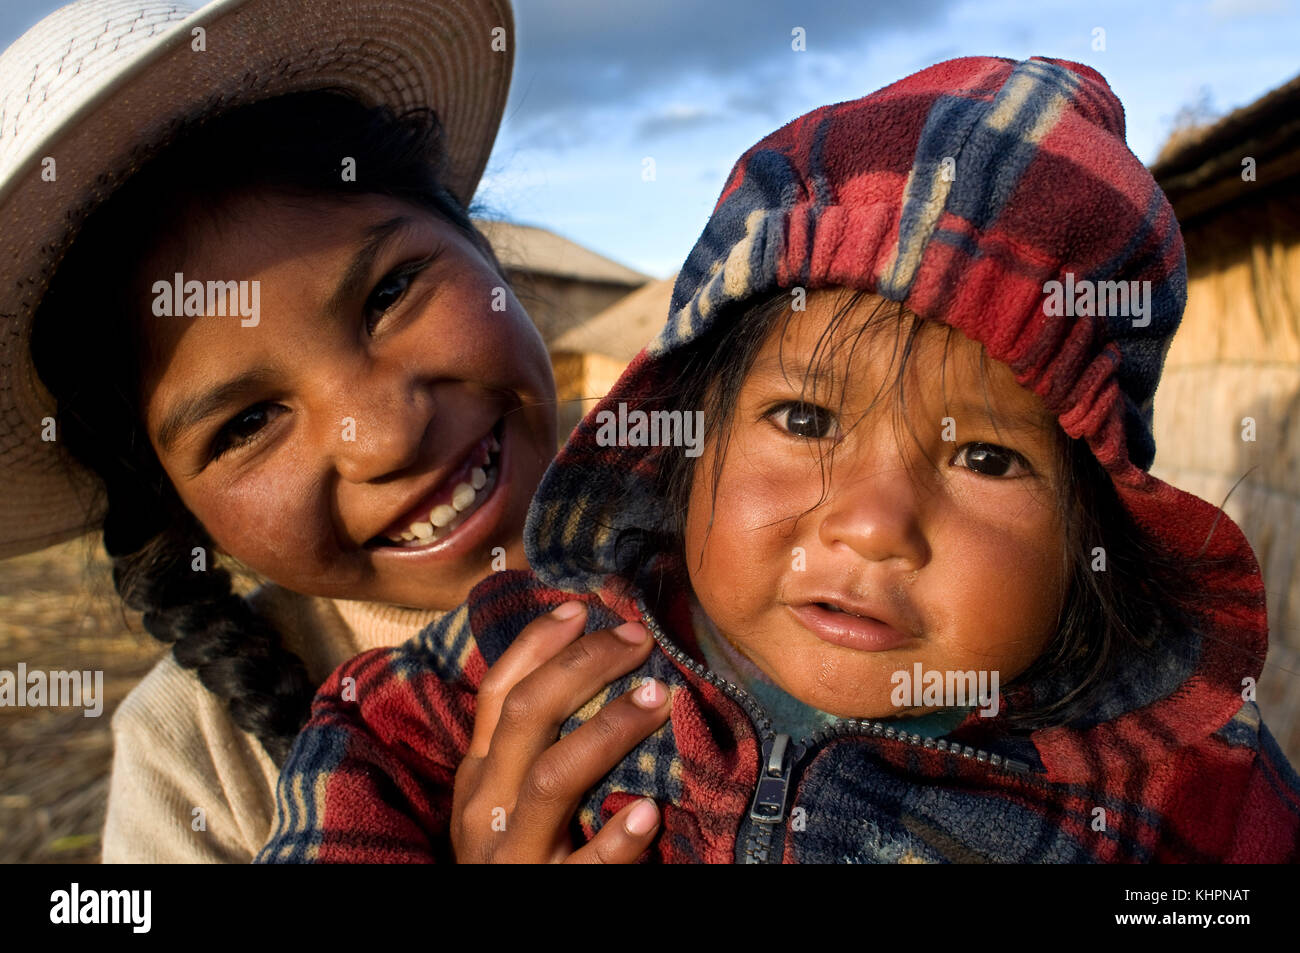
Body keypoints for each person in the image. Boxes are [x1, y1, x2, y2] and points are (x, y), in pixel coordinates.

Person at [258, 54, 1300, 863]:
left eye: (985, 455)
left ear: (1090, 531)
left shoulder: (1180, 779)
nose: (870, 522)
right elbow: (365, 732)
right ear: (685, 440)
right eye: (803, 422)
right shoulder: (565, 647)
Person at [0, 0, 563, 862]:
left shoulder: (764, 530)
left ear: (482, 251)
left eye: (389, 295)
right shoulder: (195, 760)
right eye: (249, 423)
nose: (384, 437)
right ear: (175, 505)